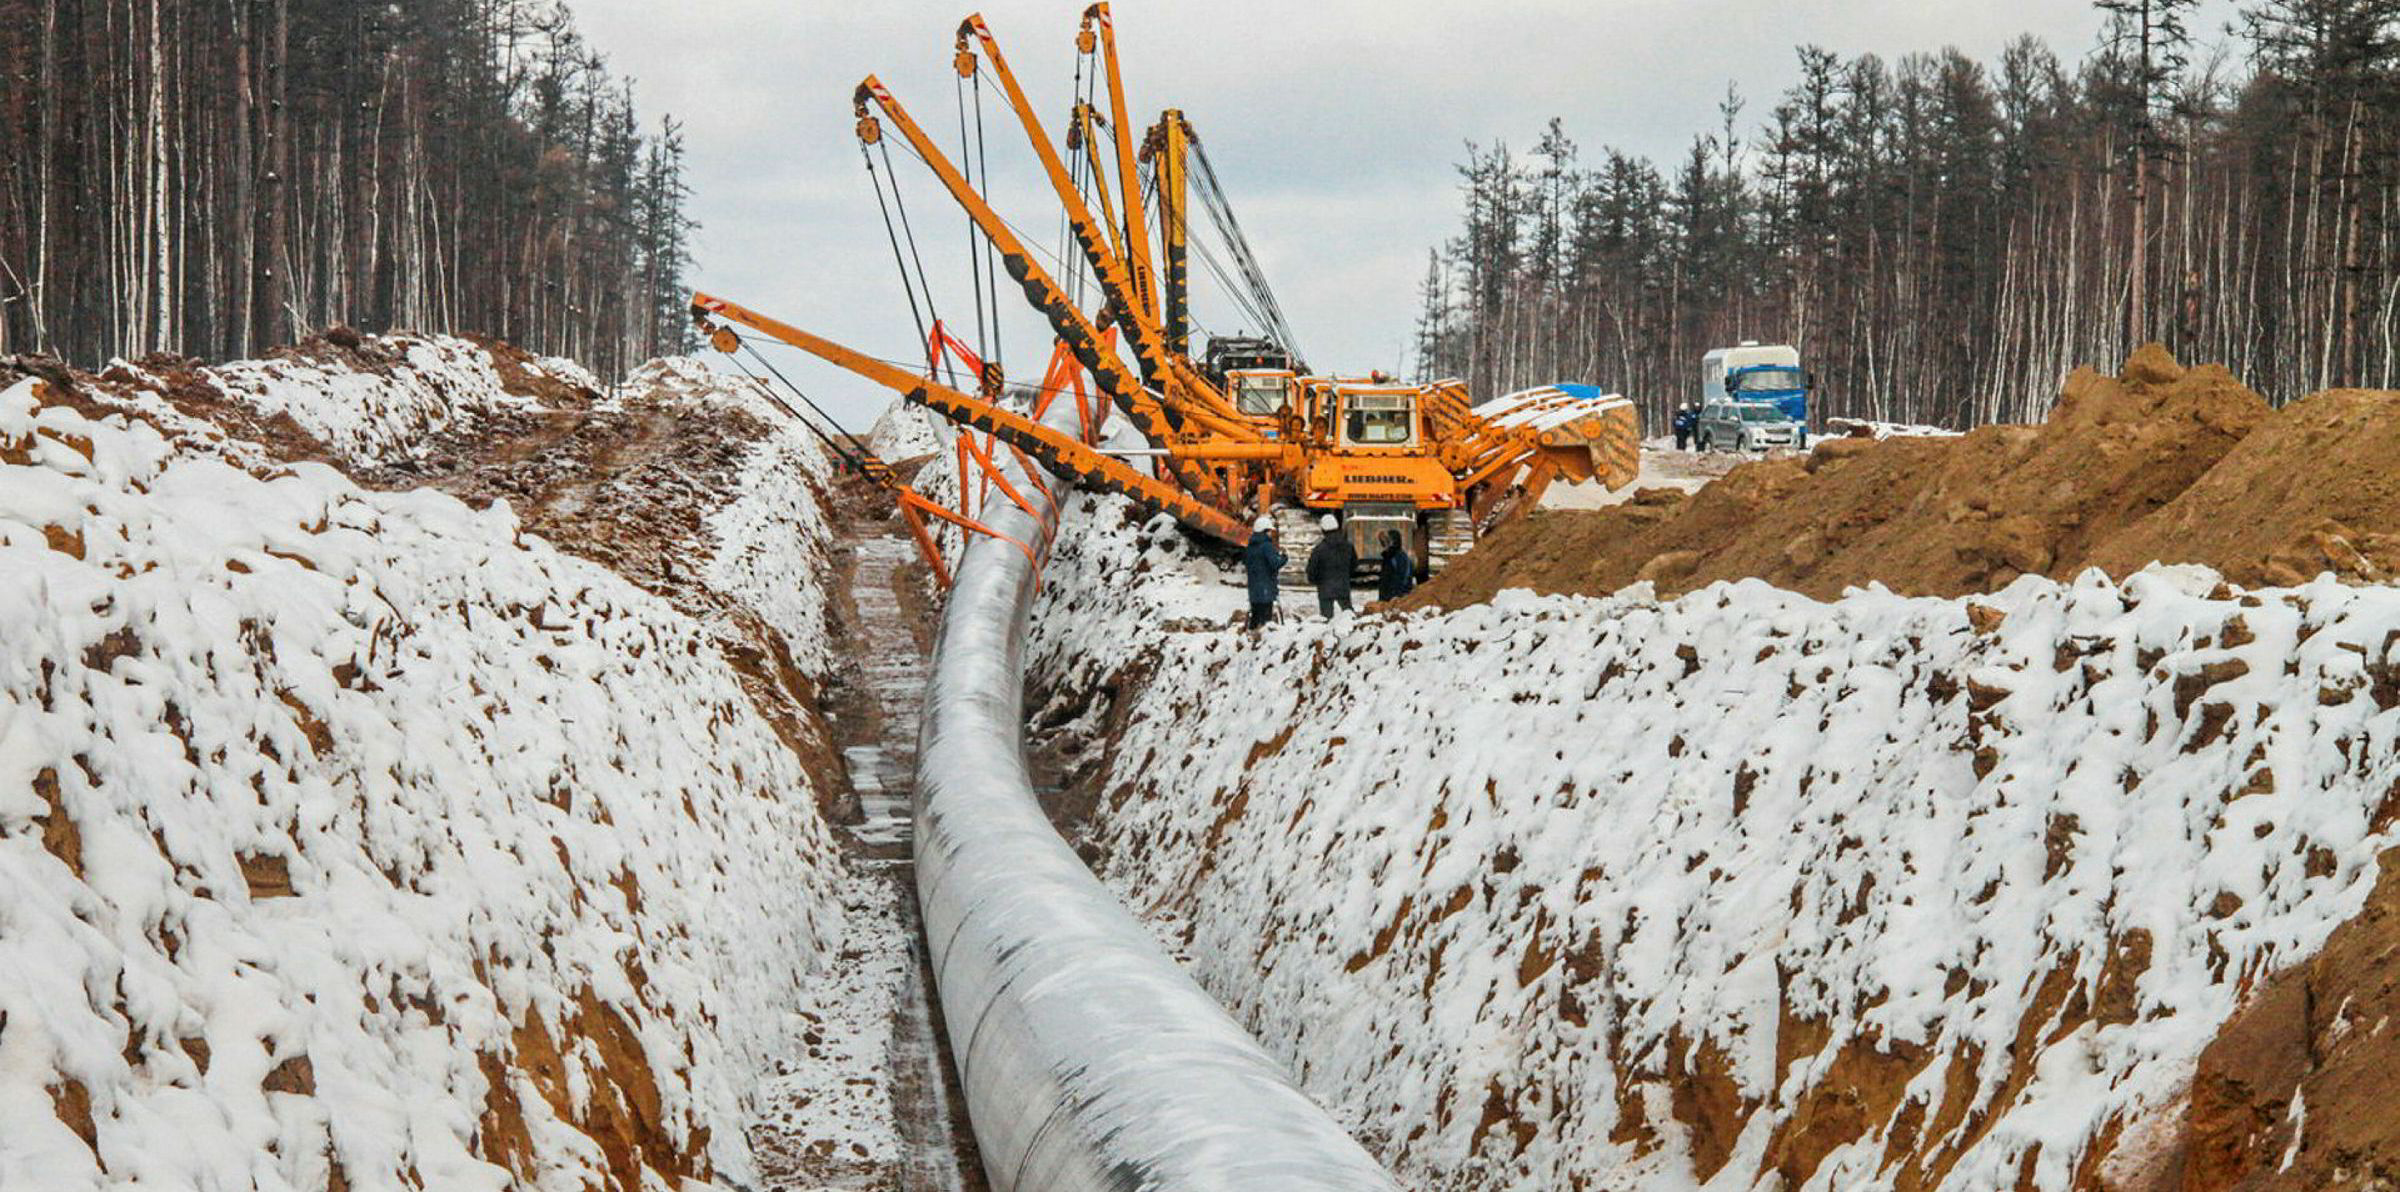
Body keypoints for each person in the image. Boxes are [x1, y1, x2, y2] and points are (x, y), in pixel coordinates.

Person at [1305, 513, 1356, 617]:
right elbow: (1354, 563)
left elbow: (1312, 569)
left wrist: (1315, 580)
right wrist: (1346, 575)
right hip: (1343, 586)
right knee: (1348, 614)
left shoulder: (1319, 549)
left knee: (1326, 617)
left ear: (1323, 529)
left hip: (1325, 588)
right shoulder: (1348, 546)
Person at [1242, 515, 1285, 630]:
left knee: (1255, 619)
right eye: (1269, 531)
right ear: (1264, 531)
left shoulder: (1250, 546)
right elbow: (1275, 563)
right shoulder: (1266, 546)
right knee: (1266, 624)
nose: (1271, 534)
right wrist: (1284, 557)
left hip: (1254, 591)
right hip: (1266, 590)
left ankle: (1251, 642)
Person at [1376, 530, 1416, 601]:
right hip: (1385, 599)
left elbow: (1404, 579)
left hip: (1396, 600)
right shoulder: (1388, 556)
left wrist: (1397, 596)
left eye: (1386, 541)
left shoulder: (1400, 557)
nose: (1384, 545)